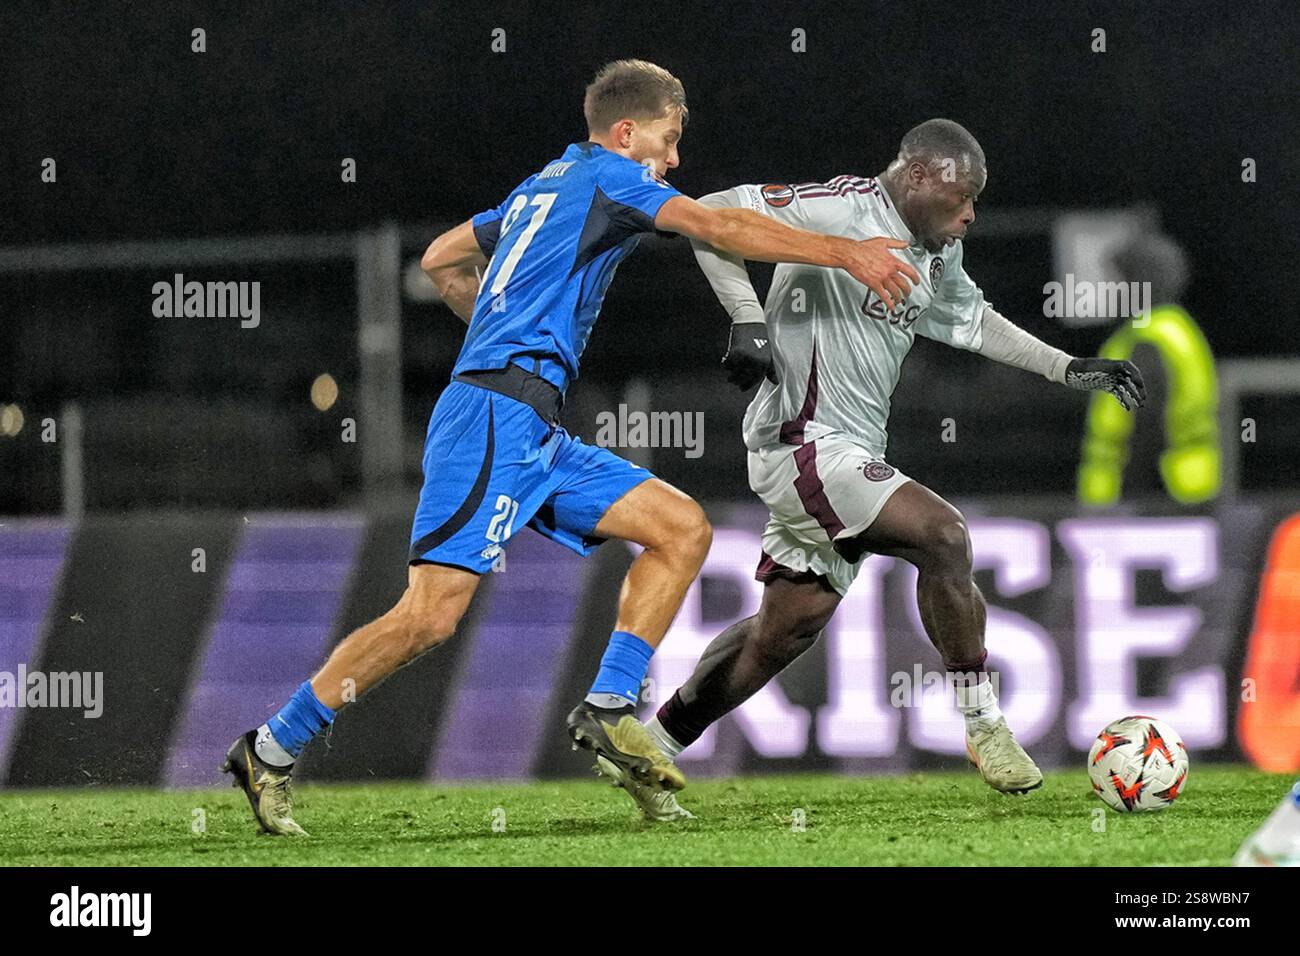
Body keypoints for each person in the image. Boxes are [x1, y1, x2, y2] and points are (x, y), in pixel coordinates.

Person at [220, 59, 920, 835]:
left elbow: (440, 258)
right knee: (430, 616)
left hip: (529, 421)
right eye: (670, 137)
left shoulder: (541, 186)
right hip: (494, 416)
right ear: (628, 133)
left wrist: (495, 330)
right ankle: (272, 747)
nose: (675, 158)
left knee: (679, 527)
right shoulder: (614, 180)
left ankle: (612, 706)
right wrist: (846, 253)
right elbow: (717, 227)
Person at [616, 118, 1147, 821]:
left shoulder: (932, 256)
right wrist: (746, 317)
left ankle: (649, 752)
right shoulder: (840, 207)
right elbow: (709, 214)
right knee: (944, 536)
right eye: (963, 199)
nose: (970, 216)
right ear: (920, 176)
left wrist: (1069, 368)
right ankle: (983, 722)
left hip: (849, 452)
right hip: (803, 441)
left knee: (782, 633)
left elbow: (974, 322)